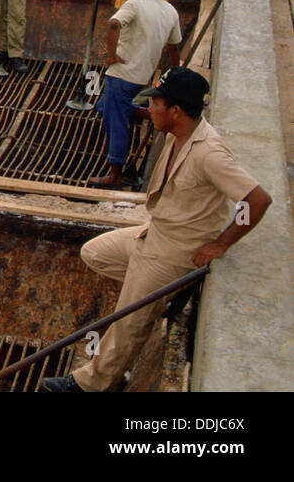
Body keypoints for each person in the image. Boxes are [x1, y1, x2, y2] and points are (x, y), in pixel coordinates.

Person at [43, 68, 272, 392]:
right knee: (93, 253)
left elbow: (257, 199)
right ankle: (156, 298)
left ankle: (93, 383)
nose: (149, 110)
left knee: (127, 320)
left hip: (176, 249)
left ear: (176, 111)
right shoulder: (179, 134)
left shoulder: (209, 153)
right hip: (154, 233)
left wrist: (221, 244)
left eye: (155, 104)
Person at [90, 0, 181, 187]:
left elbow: (113, 24)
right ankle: (143, 112)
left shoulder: (134, 5)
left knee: (115, 122)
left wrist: (111, 56)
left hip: (121, 75)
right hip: (143, 77)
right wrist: (175, 74)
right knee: (104, 106)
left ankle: (116, 173)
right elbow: (173, 48)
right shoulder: (170, 10)